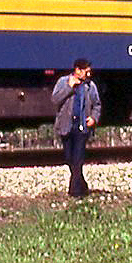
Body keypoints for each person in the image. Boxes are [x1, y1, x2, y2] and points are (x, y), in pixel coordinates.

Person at [50, 58, 101, 197]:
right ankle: (83, 185)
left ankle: (75, 192)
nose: (88, 75)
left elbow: (97, 104)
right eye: (86, 71)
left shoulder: (90, 86)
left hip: (82, 127)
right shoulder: (63, 82)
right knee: (69, 158)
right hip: (66, 126)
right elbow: (55, 99)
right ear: (77, 70)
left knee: (78, 159)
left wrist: (94, 118)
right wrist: (69, 87)